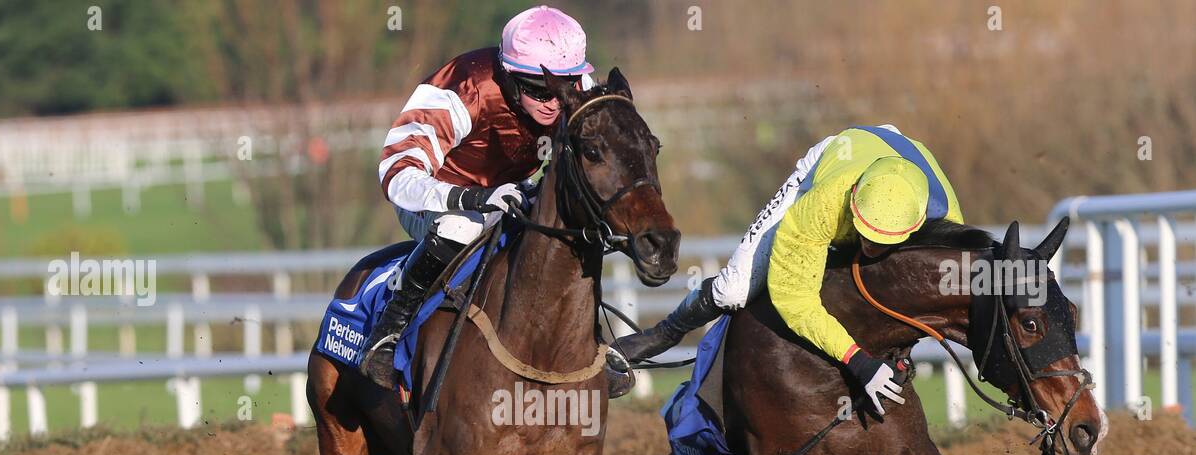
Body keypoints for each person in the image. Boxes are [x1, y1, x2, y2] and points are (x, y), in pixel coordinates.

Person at [614, 125, 963, 415]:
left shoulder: (944, 221)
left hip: (896, 163)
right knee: (734, 290)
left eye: (879, 241)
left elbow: (926, 304)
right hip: (840, 157)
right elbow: (793, 296)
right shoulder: (825, 201)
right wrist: (855, 360)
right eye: (863, 233)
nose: (868, 246)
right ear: (853, 198)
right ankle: (663, 333)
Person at [358, 5, 597, 388]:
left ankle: (594, 338)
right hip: (435, 200)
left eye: (562, 87)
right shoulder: (466, 87)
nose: (553, 101)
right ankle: (388, 331)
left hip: (508, 194)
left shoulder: (577, 89)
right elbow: (395, 173)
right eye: (539, 89)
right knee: (463, 227)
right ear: (509, 76)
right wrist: (471, 199)